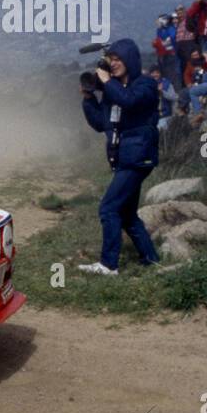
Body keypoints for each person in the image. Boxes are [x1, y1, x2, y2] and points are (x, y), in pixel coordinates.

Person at [79, 38, 160, 275]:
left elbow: (130, 101)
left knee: (108, 208)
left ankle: (109, 264)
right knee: (126, 213)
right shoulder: (113, 90)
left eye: (117, 59)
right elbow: (99, 123)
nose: (113, 64)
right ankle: (150, 259)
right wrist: (88, 98)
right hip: (123, 158)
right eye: (110, 60)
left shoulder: (145, 84)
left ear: (130, 59)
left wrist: (105, 81)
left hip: (137, 157)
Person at [152, 14, 179, 85]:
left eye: (159, 20)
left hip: (170, 55)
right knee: (163, 73)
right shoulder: (159, 30)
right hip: (161, 55)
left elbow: (170, 40)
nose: (157, 22)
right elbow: (158, 41)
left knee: (171, 74)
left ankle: (171, 89)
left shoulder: (171, 29)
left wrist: (160, 43)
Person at [148, 67, 177, 131]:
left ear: (160, 74)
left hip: (165, 115)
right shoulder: (147, 84)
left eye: (157, 73)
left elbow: (174, 97)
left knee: (159, 129)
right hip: (151, 116)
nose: (155, 75)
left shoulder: (167, 83)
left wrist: (162, 92)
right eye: (153, 73)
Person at [171, 5, 194, 86]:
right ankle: (184, 86)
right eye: (177, 12)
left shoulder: (188, 20)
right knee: (182, 68)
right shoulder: (178, 23)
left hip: (188, 45)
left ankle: (189, 84)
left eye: (181, 11)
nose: (179, 13)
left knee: (188, 67)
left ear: (184, 11)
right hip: (180, 47)